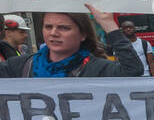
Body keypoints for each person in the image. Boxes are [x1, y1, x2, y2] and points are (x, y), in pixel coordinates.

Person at [1, 8, 142, 78]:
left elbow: (133, 70)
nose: (53, 33)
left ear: (82, 34)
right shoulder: (21, 66)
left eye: (64, 28)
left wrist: (109, 24)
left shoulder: (97, 69)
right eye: (48, 27)